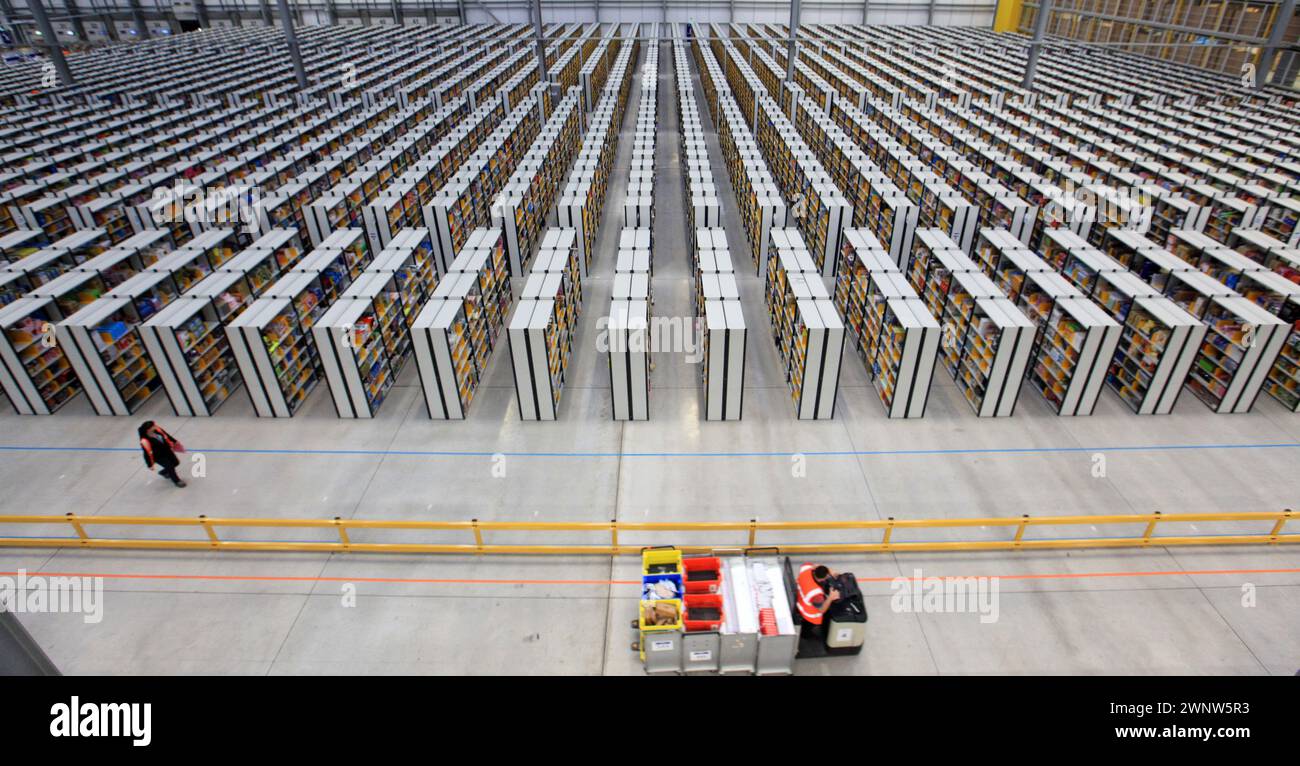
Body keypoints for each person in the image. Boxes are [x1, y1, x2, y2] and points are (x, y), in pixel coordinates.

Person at [138, 421, 186, 488]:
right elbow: (146, 453)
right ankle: (177, 481)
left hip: (167, 450)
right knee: (170, 467)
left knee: (176, 462)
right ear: (148, 429)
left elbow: (167, 435)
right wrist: (149, 464)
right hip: (158, 456)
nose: (155, 426)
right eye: (153, 426)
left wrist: (174, 441)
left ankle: (163, 472)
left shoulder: (157, 430)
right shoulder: (145, 441)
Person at [794, 563, 841, 631]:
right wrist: (831, 597)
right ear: (821, 579)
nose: (827, 577)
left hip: (801, 599)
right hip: (809, 616)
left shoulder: (806, 568)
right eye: (826, 577)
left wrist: (831, 571)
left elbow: (815, 565)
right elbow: (821, 610)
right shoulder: (816, 594)